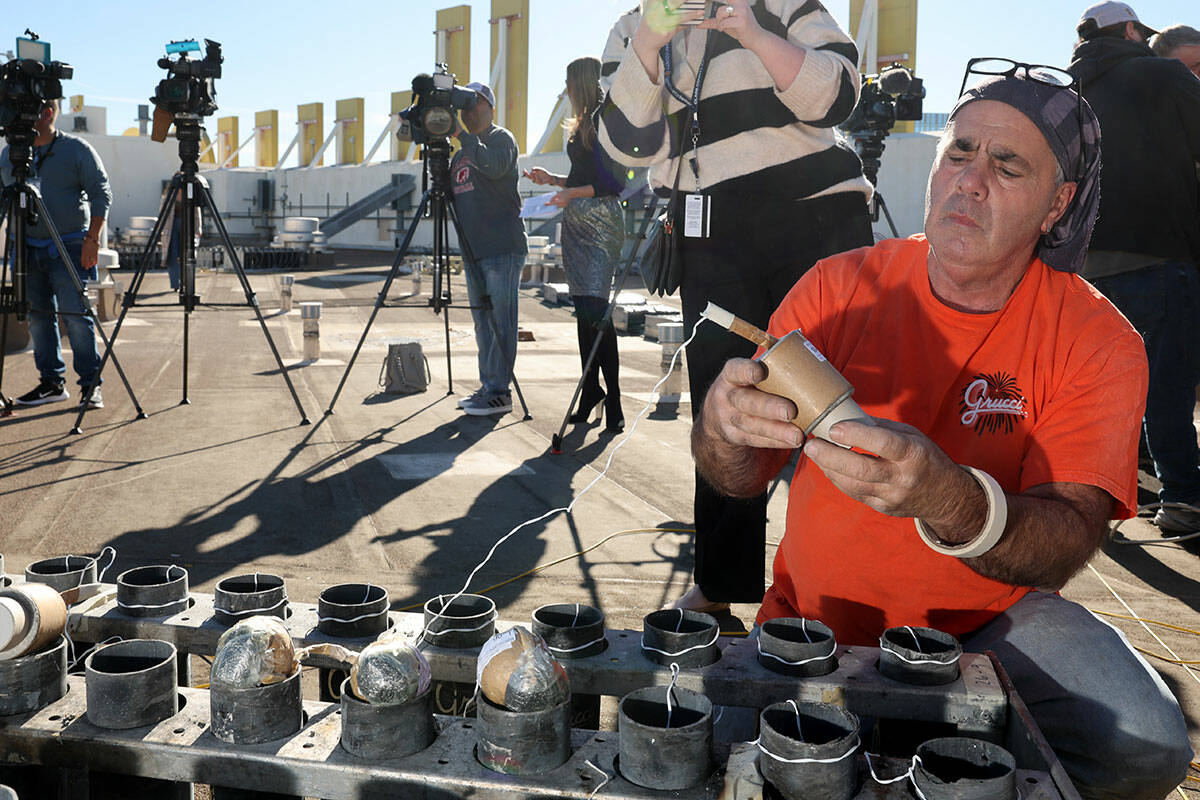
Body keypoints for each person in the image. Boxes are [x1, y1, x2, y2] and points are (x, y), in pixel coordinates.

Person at [692, 60, 1192, 798]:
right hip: (817, 624)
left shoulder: (1097, 338)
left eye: (1007, 165)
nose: (971, 179)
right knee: (717, 763)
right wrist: (723, 428)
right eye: (959, 151)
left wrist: (953, 501)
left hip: (992, 627)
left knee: (1148, 746)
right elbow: (736, 479)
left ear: (1057, 205)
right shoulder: (836, 289)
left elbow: (1069, 539)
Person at [598, 0, 874, 612]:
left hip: (817, 219)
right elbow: (625, 146)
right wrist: (649, 40)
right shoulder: (632, 28)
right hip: (711, 237)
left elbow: (837, 95)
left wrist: (751, 29)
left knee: (848, 401)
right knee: (724, 409)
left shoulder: (779, 4)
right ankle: (722, 585)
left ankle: (854, 580)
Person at [1069, 1, 1200, 533]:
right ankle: (1183, 499)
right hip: (1160, 252)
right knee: (1167, 385)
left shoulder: (1062, 90)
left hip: (1081, 270)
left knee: (1100, 392)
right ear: (1129, 31)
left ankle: (1093, 504)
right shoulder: (1161, 73)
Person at [525, 56, 626, 433]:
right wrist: (552, 179)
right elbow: (584, 175)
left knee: (598, 313)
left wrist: (573, 194)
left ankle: (613, 396)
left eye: (568, 83)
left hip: (601, 222)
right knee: (583, 312)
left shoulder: (606, 119)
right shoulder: (581, 122)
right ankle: (590, 390)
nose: (565, 90)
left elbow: (616, 183)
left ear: (579, 83)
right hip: (578, 221)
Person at [0, 98, 112, 410]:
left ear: (47, 113)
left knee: (76, 316)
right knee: (38, 318)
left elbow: (102, 192)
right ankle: (51, 383)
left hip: (69, 244)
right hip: (26, 247)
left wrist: (93, 238)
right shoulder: (10, 154)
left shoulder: (76, 150)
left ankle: (91, 385)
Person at [449, 81, 528, 417]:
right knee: (483, 323)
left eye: (475, 102)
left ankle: (499, 393)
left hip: (502, 247)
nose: (468, 110)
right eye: (464, 104)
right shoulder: (459, 154)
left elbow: (495, 167)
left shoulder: (500, 138)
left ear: (491, 107)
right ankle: (488, 387)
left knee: (500, 321)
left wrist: (464, 138)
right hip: (474, 250)